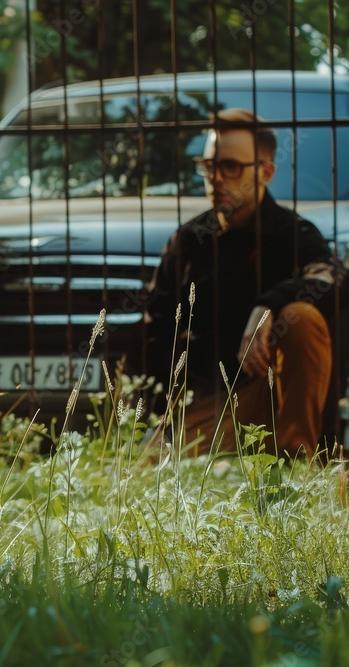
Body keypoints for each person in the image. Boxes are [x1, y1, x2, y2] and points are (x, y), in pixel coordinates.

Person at [145, 108, 343, 459]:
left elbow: (332, 277)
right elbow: (156, 331)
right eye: (208, 165)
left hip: (272, 399)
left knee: (302, 317)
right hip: (210, 410)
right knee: (139, 476)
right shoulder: (188, 241)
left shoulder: (293, 234)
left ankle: (298, 467)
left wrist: (268, 305)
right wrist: (158, 416)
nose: (216, 178)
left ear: (266, 172)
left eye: (231, 167)